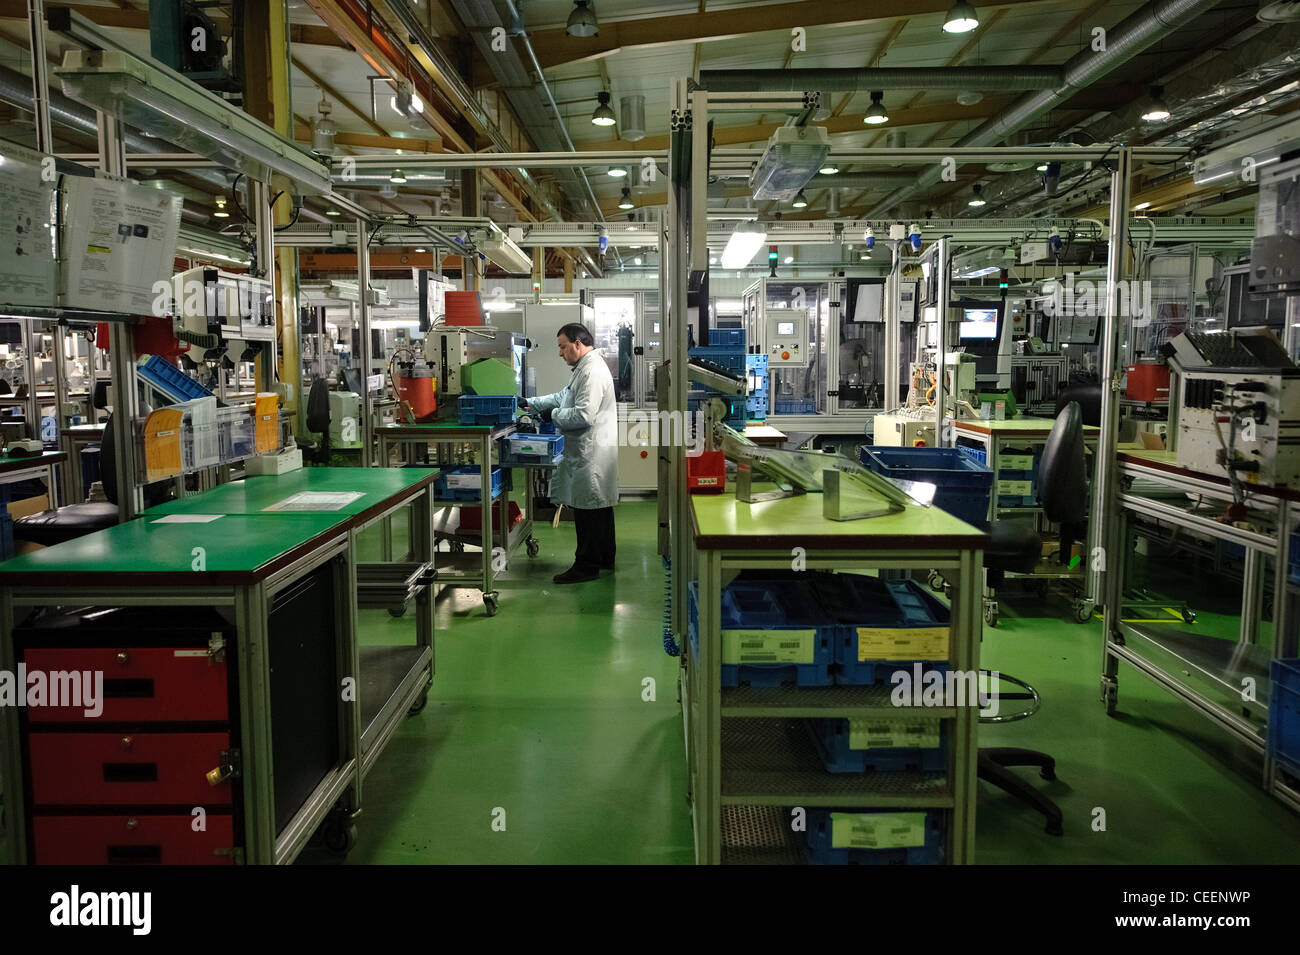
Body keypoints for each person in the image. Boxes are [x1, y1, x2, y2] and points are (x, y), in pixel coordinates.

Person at [522, 323, 617, 584]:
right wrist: (530, 404)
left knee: (588, 508)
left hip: (591, 450)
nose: (560, 353)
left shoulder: (592, 372)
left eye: (563, 347)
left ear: (578, 343)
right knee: (599, 506)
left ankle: (587, 566)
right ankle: (605, 557)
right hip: (591, 450)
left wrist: (551, 415)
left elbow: (584, 414)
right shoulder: (584, 369)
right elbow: (563, 397)